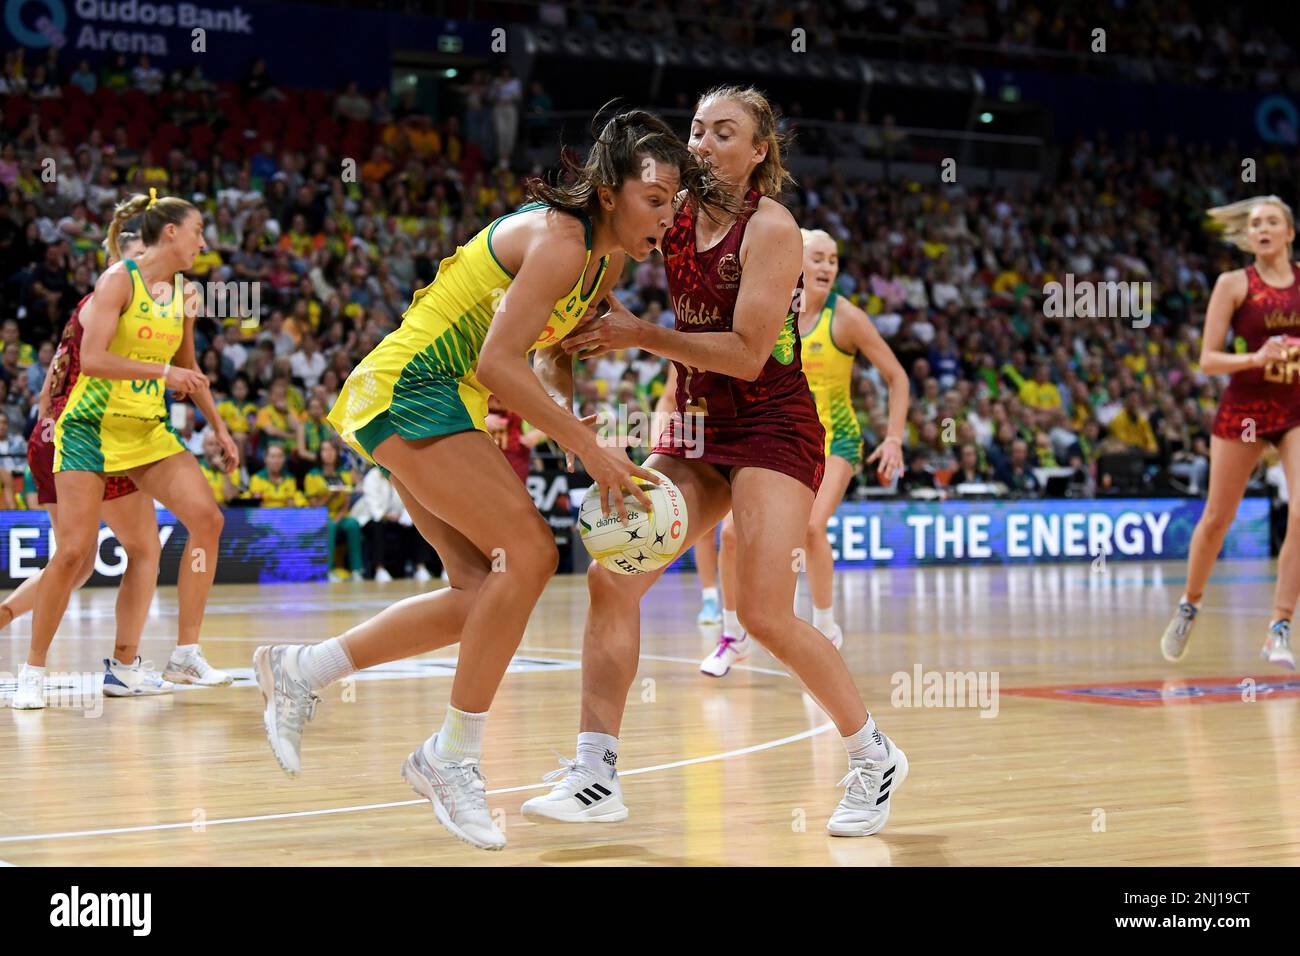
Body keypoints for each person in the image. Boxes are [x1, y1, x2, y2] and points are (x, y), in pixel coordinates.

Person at [252, 108, 732, 851]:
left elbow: (545, 355)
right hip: (413, 385)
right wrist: (589, 447)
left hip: (432, 396)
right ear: (609, 192)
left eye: (675, 204)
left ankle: (301, 669)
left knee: (478, 590)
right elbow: (496, 363)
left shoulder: (603, 263)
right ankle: (450, 758)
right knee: (532, 555)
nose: (668, 219)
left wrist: (574, 417)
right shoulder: (560, 241)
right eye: (655, 200)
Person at [528, 86, 909, 838]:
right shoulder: (666, 215)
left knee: (764, 610)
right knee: (613, 577)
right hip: (701, 425)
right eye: (697, 130)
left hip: (772, 421)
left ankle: (875, 755)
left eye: (723, 133)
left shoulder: (774, 229)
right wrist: (569, 334)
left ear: (759, 151)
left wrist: (636, 333)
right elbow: (595, 287)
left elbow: (744, 353)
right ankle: (597, 771)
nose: (702, 144)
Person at [12, 198, 240, 707]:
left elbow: (188, 364)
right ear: (172, 233)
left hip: (145, 431)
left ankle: (184, 653)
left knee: (207, 519)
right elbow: (92, 360)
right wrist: (163, 375)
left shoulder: (187, 295)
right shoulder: (118, 280)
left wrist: (220, 428)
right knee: (73, 554)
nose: (204, 243)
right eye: (198, 231)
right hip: (90, 427)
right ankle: (32, 670)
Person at [704, 227, 907, 667]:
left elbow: (898, 376)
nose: (826, 267)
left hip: (838, 439)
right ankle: (731, 633)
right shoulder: (772, 308)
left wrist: (893, 437)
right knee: (733, 533)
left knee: (812, 528)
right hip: (784, 437)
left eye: (833, 260)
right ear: (794, 259)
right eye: (817, 257)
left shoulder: (846, 317)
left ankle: (825, 625)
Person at [1161, 196, 1300, 669]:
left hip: (1295, 409)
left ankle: (1279, 627)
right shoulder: (1234, 284)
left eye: (1272, 222)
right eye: (1256, 223)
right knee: (1218, 518)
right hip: (1245, 408)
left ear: (1289, 233)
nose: (1262, 229)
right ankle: (1190, 603)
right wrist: (1256, 358)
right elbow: (1207, 360)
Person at [305, 438, 363, 582]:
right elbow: (313, 507)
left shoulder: (344, 474)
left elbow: (346, 503)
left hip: (340, 515)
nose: (328, 453)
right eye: (324, 450)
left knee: (353, 524)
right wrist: (329, 496)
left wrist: (338, 518)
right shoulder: (312, 475)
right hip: (319, 516)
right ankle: (328, 571)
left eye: (331, 450)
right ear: (320, 454)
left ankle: (356, 570)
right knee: (329, 525)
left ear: (337, 453)